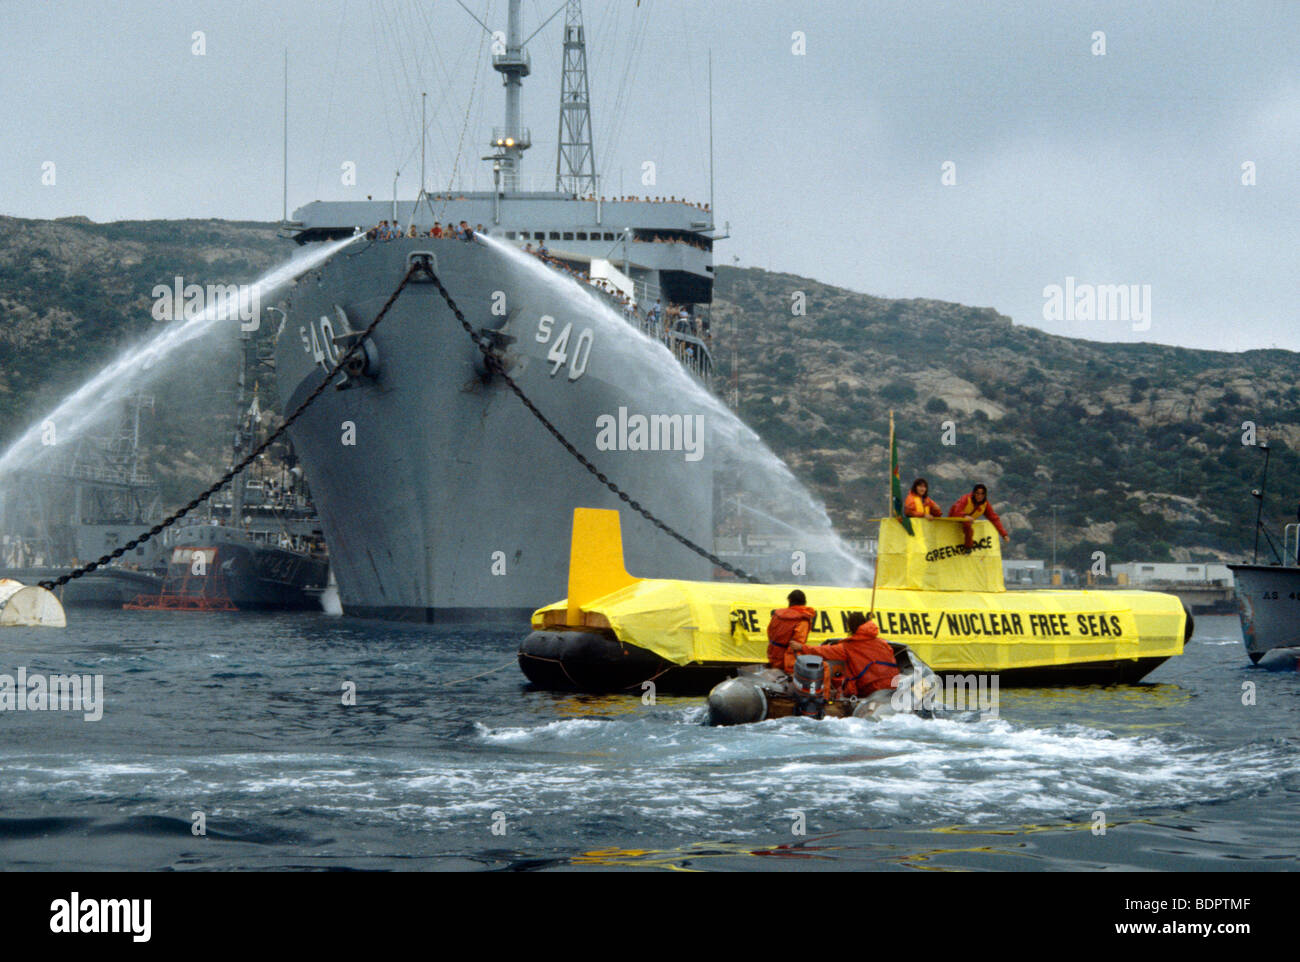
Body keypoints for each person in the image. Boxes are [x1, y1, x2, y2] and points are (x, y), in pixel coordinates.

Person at [791, 613, 899, 698]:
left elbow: (823, 651)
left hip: (871, 690)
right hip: (894, 687)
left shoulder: (848, 647)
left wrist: (801, 647)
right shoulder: (884, 643)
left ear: (851, 627)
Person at [765, 590, 816, 673]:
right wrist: (791, 667)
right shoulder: (802, 619)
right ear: (804, 602)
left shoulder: (777, 614)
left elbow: (770, 632)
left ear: (789, 600)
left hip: (773, 653)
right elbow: (797, 643)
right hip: (787, 659)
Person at [949, 483, 1009, 548]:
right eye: (977, 493)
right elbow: (956, 511)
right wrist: (965, 516)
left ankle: (968, 548)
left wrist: (1004, 534)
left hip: (967, 524)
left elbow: (994, 518)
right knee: (967, 524)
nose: (979, 496)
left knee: (968, 525)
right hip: (955, 520)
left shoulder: (985, 504)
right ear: (974, 493)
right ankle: (968, 547)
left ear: (985, 495)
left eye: (982, 494)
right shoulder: (965, 498)